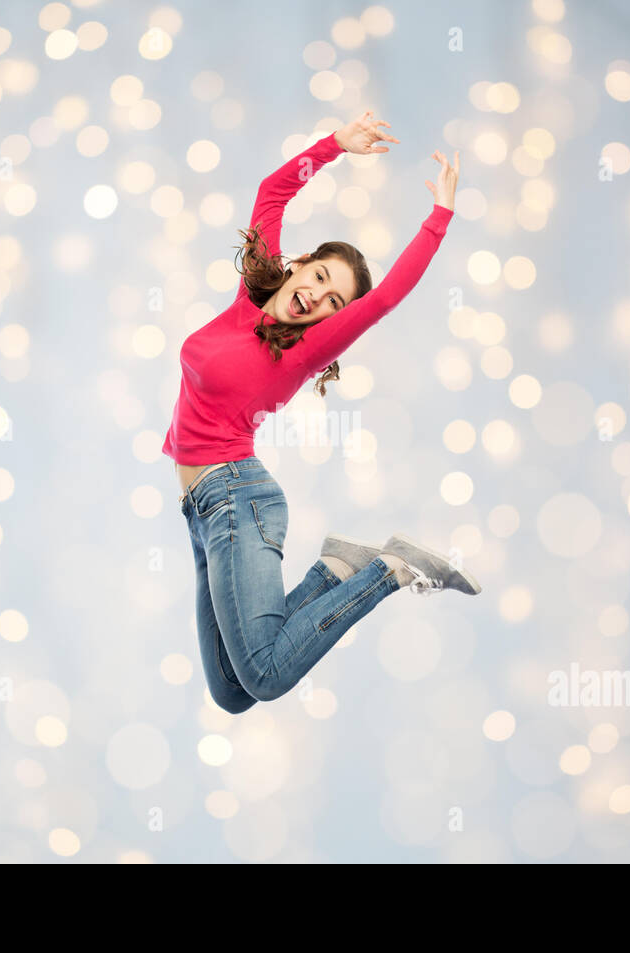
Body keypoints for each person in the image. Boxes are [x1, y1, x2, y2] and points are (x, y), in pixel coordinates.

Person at [161, 110, 480, 713]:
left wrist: (439, 217)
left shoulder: (300, 352)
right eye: (321, 277)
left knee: (265, 676)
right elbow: (270, 193)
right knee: (233, 693)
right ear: (299, 264)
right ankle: (336, 569)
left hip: (236, 499)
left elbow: (387, 296)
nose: (319, 296)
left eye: (334, 302)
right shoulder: (245, 302)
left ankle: (389, 569)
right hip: (200, 514)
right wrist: (336, 145)